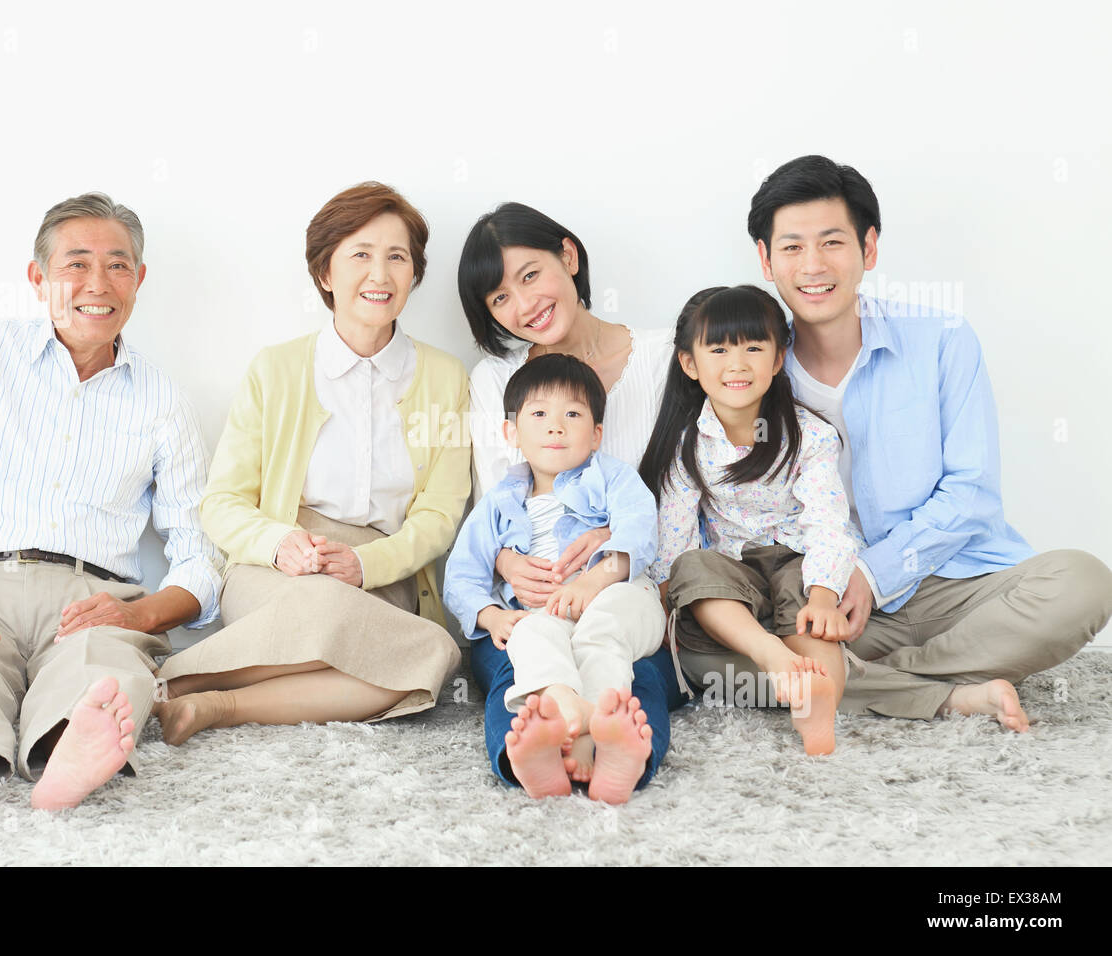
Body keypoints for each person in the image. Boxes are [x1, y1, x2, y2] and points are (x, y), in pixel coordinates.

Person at [728, 154, 1112, 730]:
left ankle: (866, 681)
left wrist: (874, 574)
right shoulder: (748, 369)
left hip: (955, 586)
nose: (813, 265)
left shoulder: (943, 341)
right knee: (708, 641)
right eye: (791, 247)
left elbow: (971, 492)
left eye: (832, 242)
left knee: (1083, 583)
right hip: (824, 601)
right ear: (765, 259)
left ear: (869, 248)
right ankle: (946, 689)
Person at [0, 192, 224, 816]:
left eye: (118, 265)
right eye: (76, 264)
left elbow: (198, 559)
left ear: (139, 280)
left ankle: (71, 754)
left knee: (102, 669)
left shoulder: (163, 401)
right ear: (39, 279)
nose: (98, 283)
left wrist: (137, 618)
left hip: (95, 599)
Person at [154, 183, 467, 742]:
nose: (381, 274)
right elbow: (222, 502)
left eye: (398, 257)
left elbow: (441, 513)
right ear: (326, 274)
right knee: (332, 615)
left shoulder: (446, 378)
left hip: (379, 572)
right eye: (360, 255)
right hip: (276, 566)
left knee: (433, 655)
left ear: (414, 274)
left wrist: (367, 565)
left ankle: (200, 699)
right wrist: (279, 542)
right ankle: (184, 687)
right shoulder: (276, 370)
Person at [457, 201, 687, 795]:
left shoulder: (669, 357)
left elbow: (681, 497)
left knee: (638, 672)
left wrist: (615, 559)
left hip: (629, 587)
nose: (523, 305)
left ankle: (620, 757)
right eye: (499, 298)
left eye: (530, 275)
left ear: (569, 256)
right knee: (523, 667)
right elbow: (492, 519)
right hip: (534, 601)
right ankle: (532, 758)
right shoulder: (494, 382)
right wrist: (508, 578)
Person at [639, 285, 861, 755]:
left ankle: (816, 708)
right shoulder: (687, 444)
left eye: (753, 347)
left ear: (779, 359)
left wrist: (823, 597)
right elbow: (674, 536)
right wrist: (660, 604)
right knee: (693, 567)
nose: (737, 364)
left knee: (809, 618)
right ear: (690, 364)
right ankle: (773, 658)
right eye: (718, 349)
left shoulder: (811, 436)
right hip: (734, 576)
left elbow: (828, 523)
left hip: (796, 563)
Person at [445, 354, 665, 802]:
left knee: (605, 634)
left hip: (615, 596)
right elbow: (461, 573)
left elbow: (641, 529)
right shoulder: (499, 503)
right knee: (528, 638)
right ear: (511, 432)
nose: (556, 427)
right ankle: (569, 714)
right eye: (539, 414)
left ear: (597, 433)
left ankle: (593, 737)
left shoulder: (611, 478)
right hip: (544, 612)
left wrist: (595, 578)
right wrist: (492, 617)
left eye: (573, 414)